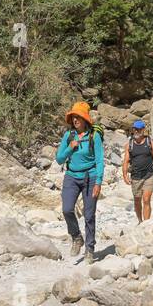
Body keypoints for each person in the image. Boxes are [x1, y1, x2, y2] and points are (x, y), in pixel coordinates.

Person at [56, 101, 104, 263]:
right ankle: (77, 237)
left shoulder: (94, 136)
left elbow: (99, 161)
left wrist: (98, 182)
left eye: (78, 117)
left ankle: (90, 249)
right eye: (73, 117)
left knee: (89, 215)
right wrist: (70, 147)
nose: (75, 120)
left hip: (90, 177)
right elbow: (59, 159)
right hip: (71, 176)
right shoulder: (68, 136)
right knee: (67, 209)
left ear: (85, 119)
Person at [121, 119, 153, 223]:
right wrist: (125, 175)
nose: (136, 131)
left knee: (146, 200)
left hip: (148, 176)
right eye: (135, 129)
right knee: (137, 201)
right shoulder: (130, 144)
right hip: (135, 177)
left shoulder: (150, 142)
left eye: (139, 129)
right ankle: (140, 221)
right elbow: (126, 161)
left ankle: (146, 224)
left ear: (143, 130)